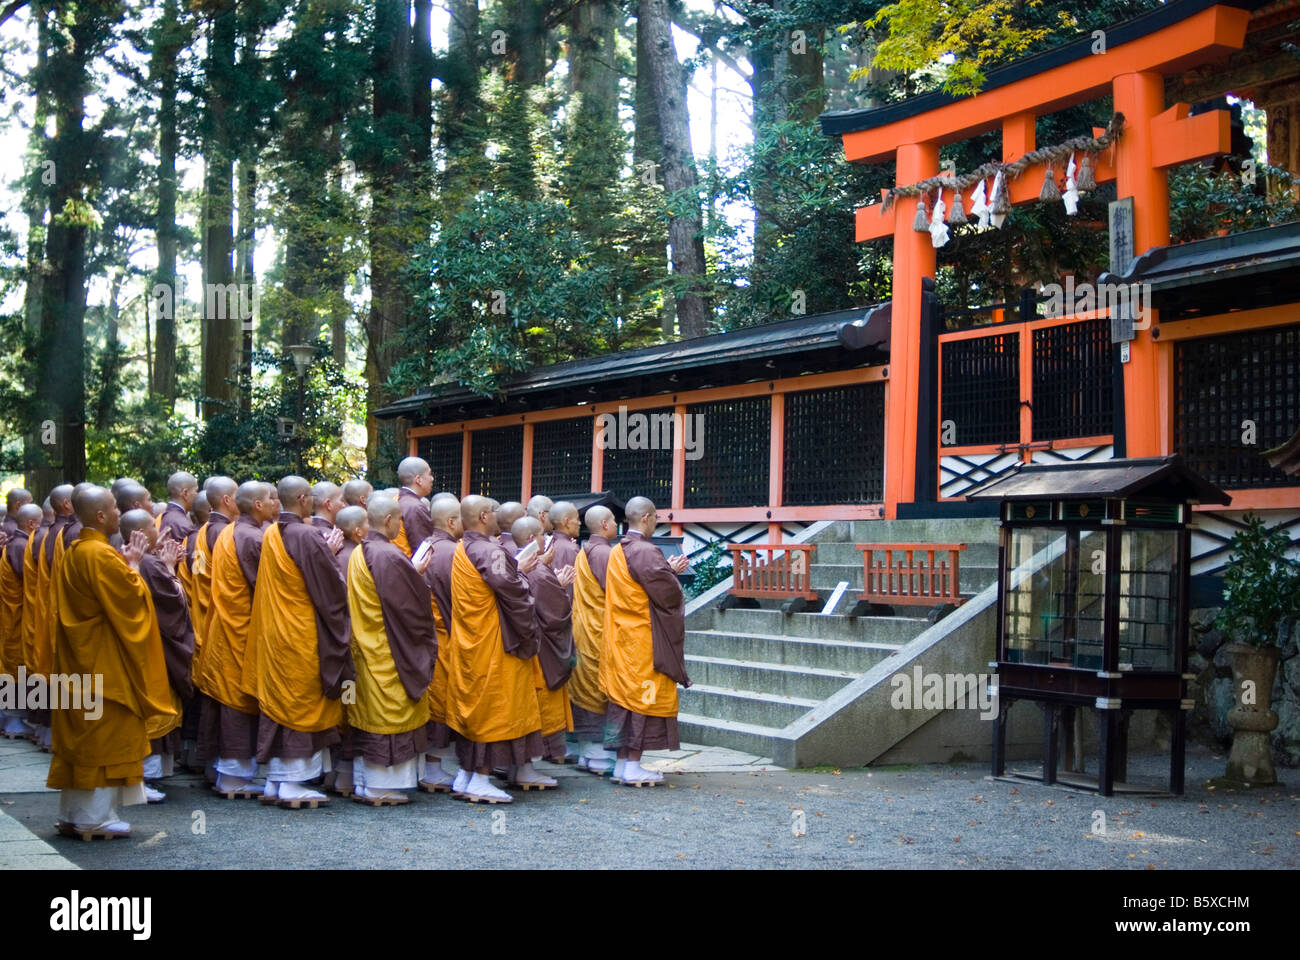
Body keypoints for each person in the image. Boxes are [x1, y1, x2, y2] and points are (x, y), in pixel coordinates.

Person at [48, 487, 175, 840]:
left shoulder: (76, 550)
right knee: (104, 736)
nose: (121, 513)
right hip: (103, 667)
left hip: (82, 661)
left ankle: (74, 813)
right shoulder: (99, 556)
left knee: (83, 735)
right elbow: (131, 603)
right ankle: (94, 818)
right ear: (101, 516)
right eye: (115, 509)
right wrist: (133, 566)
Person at [245, 476, 351, 809]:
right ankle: (292, 782)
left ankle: (277, 780)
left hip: (277, 633)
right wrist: (331, 557)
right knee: (299, 703)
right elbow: (330, 590)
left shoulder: (273, 533)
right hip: (301, 635)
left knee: (281, 703)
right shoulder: (305, 535)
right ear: (304, 499)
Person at [445, 495, 543, 803]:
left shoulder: (464, 547)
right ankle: (482, 776)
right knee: (492, 709)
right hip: (493, 643)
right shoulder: (489, 550)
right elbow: (511, 590)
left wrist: (514, 566)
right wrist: (522, 572)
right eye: (493, 511)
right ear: (485, 516)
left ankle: (466, 774)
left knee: (475, 707)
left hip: (470, 640)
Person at [343, 496, 436, 805]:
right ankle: (381, 785)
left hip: (366, 646)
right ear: (388, 521)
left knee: (367, 712)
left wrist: (410, 573)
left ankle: (363, 781)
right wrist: (418, 575)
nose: (402, 526)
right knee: (389, 714)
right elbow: (408, 608)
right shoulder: (387, 555)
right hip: (388, 650)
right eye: (400, 520)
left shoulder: (360, 551)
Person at [601, 497, 691, 786]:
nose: (657, 523)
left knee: (624, 703)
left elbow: (643, 586)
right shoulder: (644, 551)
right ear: (648, 517)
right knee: (642, 700)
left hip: (623, 638)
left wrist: (665, 570)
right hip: (643, 642)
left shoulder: (618, 550)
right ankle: (633, 764)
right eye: (656, 519)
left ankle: (621, 763)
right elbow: (666, 594)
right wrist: (671, 573)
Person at [194, 480, 276, 798]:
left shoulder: (230, 531)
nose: (274, 503)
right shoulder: (251, 537)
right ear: (257, 504)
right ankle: (234, 774)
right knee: (236, 701)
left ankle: (220, 767)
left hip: (224, 625)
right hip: (241, 628)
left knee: (224, 700)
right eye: (270, 498)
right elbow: (265, 587)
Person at [119, 509, 193, 803]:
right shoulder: (148, 564)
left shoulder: (143, 560)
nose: (157, 528)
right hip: (153, 648)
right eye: (152, 525)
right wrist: (170, 569)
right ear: (139, 532)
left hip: (149, 645)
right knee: (152, 708)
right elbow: (174, 601)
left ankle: (146, 774)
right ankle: (142, 775)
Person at [510, 516, 575, 786]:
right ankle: (525, 769)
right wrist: (557, 588)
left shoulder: (521, 566)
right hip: (539, 656)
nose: (545, 540)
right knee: (534, 712)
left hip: (527, 651)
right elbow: (554, 617)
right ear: (530, 540)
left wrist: (553, 583)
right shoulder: (535, 570)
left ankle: (518, 768)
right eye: (541, 536)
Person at [568, 504, 619, 774]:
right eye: (612, 521)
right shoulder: (603, 553)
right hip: (598, 631)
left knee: (585, 686)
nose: (615, 525)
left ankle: (586, 751)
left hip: (584, 627)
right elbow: (616, 591)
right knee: (596, 690)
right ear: (603, 524)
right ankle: (596, 754)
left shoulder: (585, 549)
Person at [417, 493, 461, 793]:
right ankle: (432, 767)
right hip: (445, 636)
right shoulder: (453, 553)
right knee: (443, 702)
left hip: (425, 637)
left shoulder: (424, 547)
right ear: (450, 522)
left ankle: (428, 766)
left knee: (432, 700)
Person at [0, 503, 40, 739]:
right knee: (15, 665)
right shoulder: (18, 546)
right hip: (16, 615)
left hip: (12, 615)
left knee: (12, 663)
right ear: (31, 524)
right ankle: (13, 721)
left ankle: (9, 717)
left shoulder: (13, 544)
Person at [393, 457, 435, 555]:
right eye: (429, 474)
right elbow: (422, 550)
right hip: (408, 566)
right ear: (418, 480)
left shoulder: (396, 499)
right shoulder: (415, 507)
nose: (432, 479)